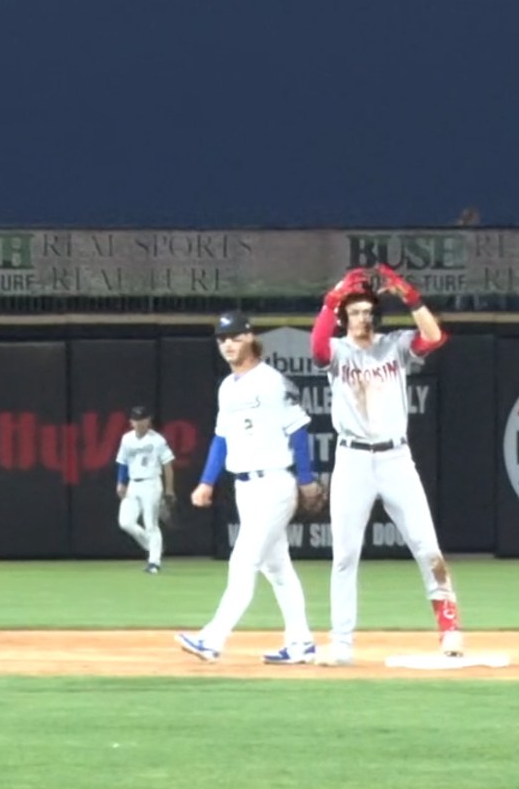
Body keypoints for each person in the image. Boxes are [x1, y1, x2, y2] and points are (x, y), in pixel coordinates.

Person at [310, 265, 465, 666]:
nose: (362, 317)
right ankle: (341, 645)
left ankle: (450, 629)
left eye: (367, 311)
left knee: (426, 545)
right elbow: (317, 349)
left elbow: (435, 336)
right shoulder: (339, 351)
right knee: (344, 555)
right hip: (353, 458)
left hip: (396, 457)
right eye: (354, 311)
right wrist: (332, 299)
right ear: (344, 317)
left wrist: (411, 298)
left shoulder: (393, 345)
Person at [175, 310, 323, 665]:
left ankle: (212, 639)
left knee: (243, 561)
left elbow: (298, 430)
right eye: (222, 338)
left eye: (235, 336)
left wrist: (306, 479)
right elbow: (221, 438)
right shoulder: (227, 386)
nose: (228, 344)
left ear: (250, 338)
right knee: (277, 569)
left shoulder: (271, 381)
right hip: (246, 487)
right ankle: (301, 642)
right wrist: (206, 482)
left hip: (274, 482)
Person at [115, 404, 176, 574]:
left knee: (151, 524)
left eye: (142, 419)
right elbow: (122, 462)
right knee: (125, 522)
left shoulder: (157, 440)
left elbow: (167, 465)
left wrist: (169, 489)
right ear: (131, 422)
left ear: (148, 420)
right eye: (136, 419)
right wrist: (121, 482)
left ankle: (154, 562)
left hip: (151, 482)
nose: (139, 423)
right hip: (133, 483)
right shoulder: (127, 439)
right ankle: (153, 545)